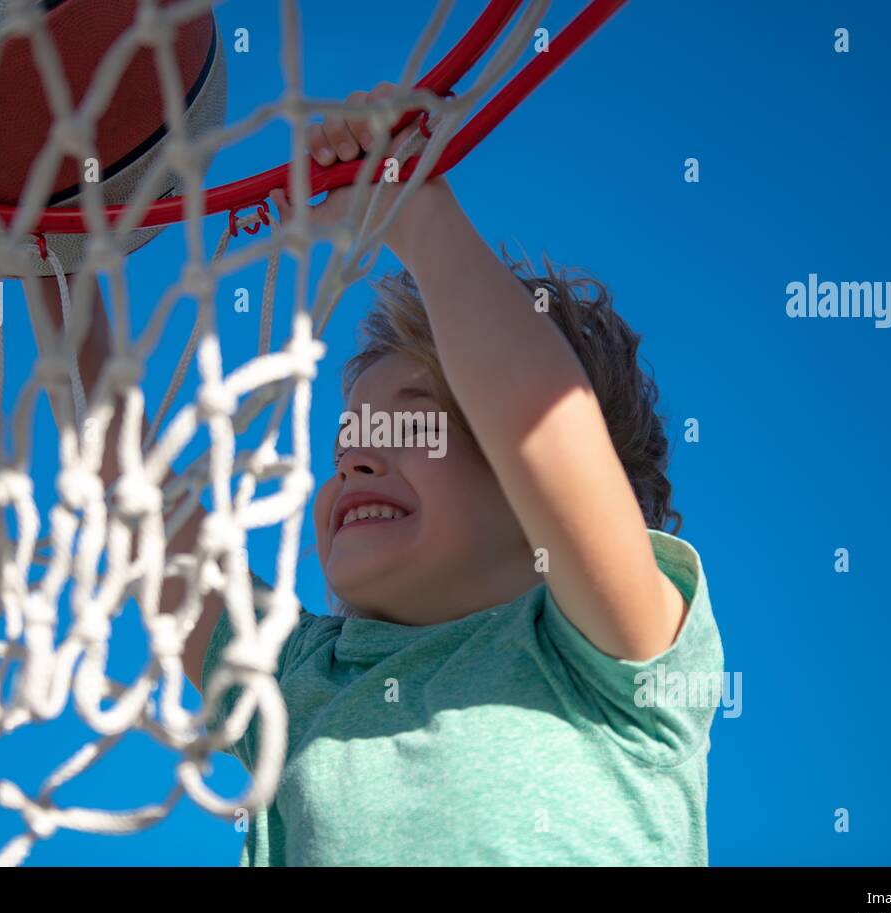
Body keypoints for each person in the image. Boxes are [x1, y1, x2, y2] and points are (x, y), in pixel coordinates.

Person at [40, 83, 725, 865]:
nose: (357, 457)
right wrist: (51, 267)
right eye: (344, 447)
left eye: (408, 424)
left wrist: (414, 209)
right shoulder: (304, 685)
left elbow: (542, 419)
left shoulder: (612, 660)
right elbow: (136, 496)